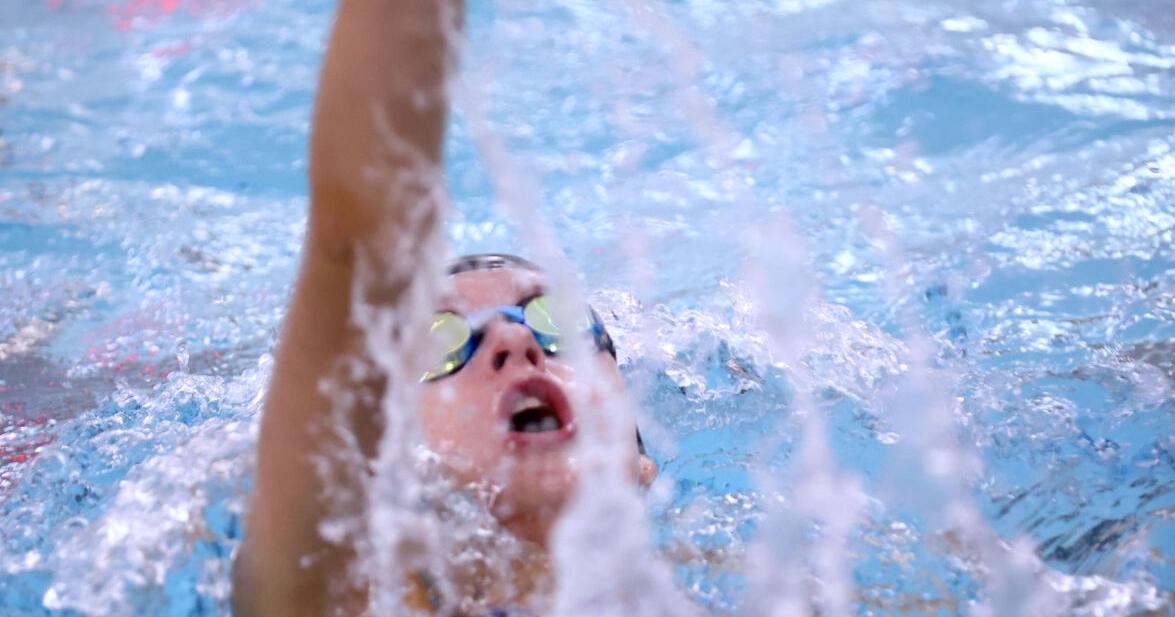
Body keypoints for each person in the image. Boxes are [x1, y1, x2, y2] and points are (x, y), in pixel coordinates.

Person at [231, 1, 657, 615]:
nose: (515, 344)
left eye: (555, 321)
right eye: (439, 342)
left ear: (641, 462)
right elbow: (360, 236)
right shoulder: (326, 594)